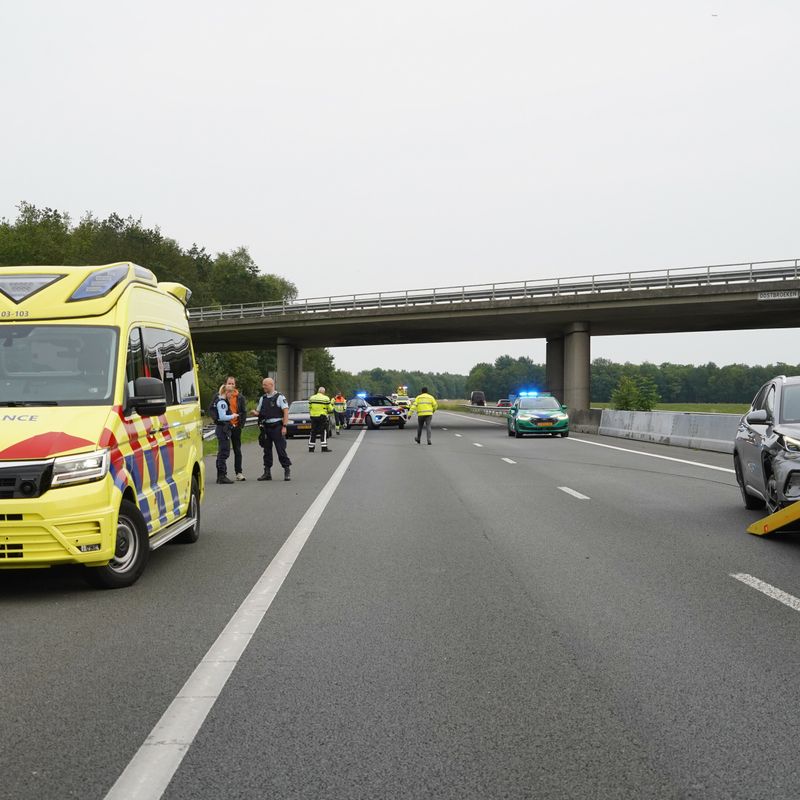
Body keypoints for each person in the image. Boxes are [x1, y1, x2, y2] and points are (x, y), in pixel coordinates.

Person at [254, 377, 292, 481]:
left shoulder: (280, 397)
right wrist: (255, 413)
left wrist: (284, 426)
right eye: (263, 385)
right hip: (266, 428)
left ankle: (286, 470)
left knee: (280, 449)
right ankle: (267, 473)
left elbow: (285, 412)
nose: (263, 387)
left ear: (271, 385)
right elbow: (259, 412)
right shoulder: (263, 398)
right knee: (267, 451)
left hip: (277, 427)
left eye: (265, 385)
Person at [213, 384, 239, 483]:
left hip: (222, 429)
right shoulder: (222, 403)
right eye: (231, 393)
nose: (232, 395)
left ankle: (220, 475)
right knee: (224, 452)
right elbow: (222, 417)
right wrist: (233, 416)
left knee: (221, 452)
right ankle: (222, 475)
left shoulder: (219, 401)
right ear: (227, 392)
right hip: (223, 430)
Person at [224, 375, 248, 481]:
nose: (231, 385)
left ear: (235, 385)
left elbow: (243, 411)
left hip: (236, 426)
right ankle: (222, 474)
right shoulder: (221, 396)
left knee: (237, 450)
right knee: (224, 450)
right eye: (229, 383)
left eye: (233, 383)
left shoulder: (240, 397)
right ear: (225, 384)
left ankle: (239, 473)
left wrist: (241, 425)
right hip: (225, 427)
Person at [308, 386, 334, 452]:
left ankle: (311, 448)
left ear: (318, 391)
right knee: (323, 432)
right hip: (322, 417)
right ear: (323, 392)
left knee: (313, 432)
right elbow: (330, 408)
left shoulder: (312, 398)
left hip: (313, 417)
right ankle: (324, 448)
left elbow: (309, 407)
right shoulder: (326, 398)